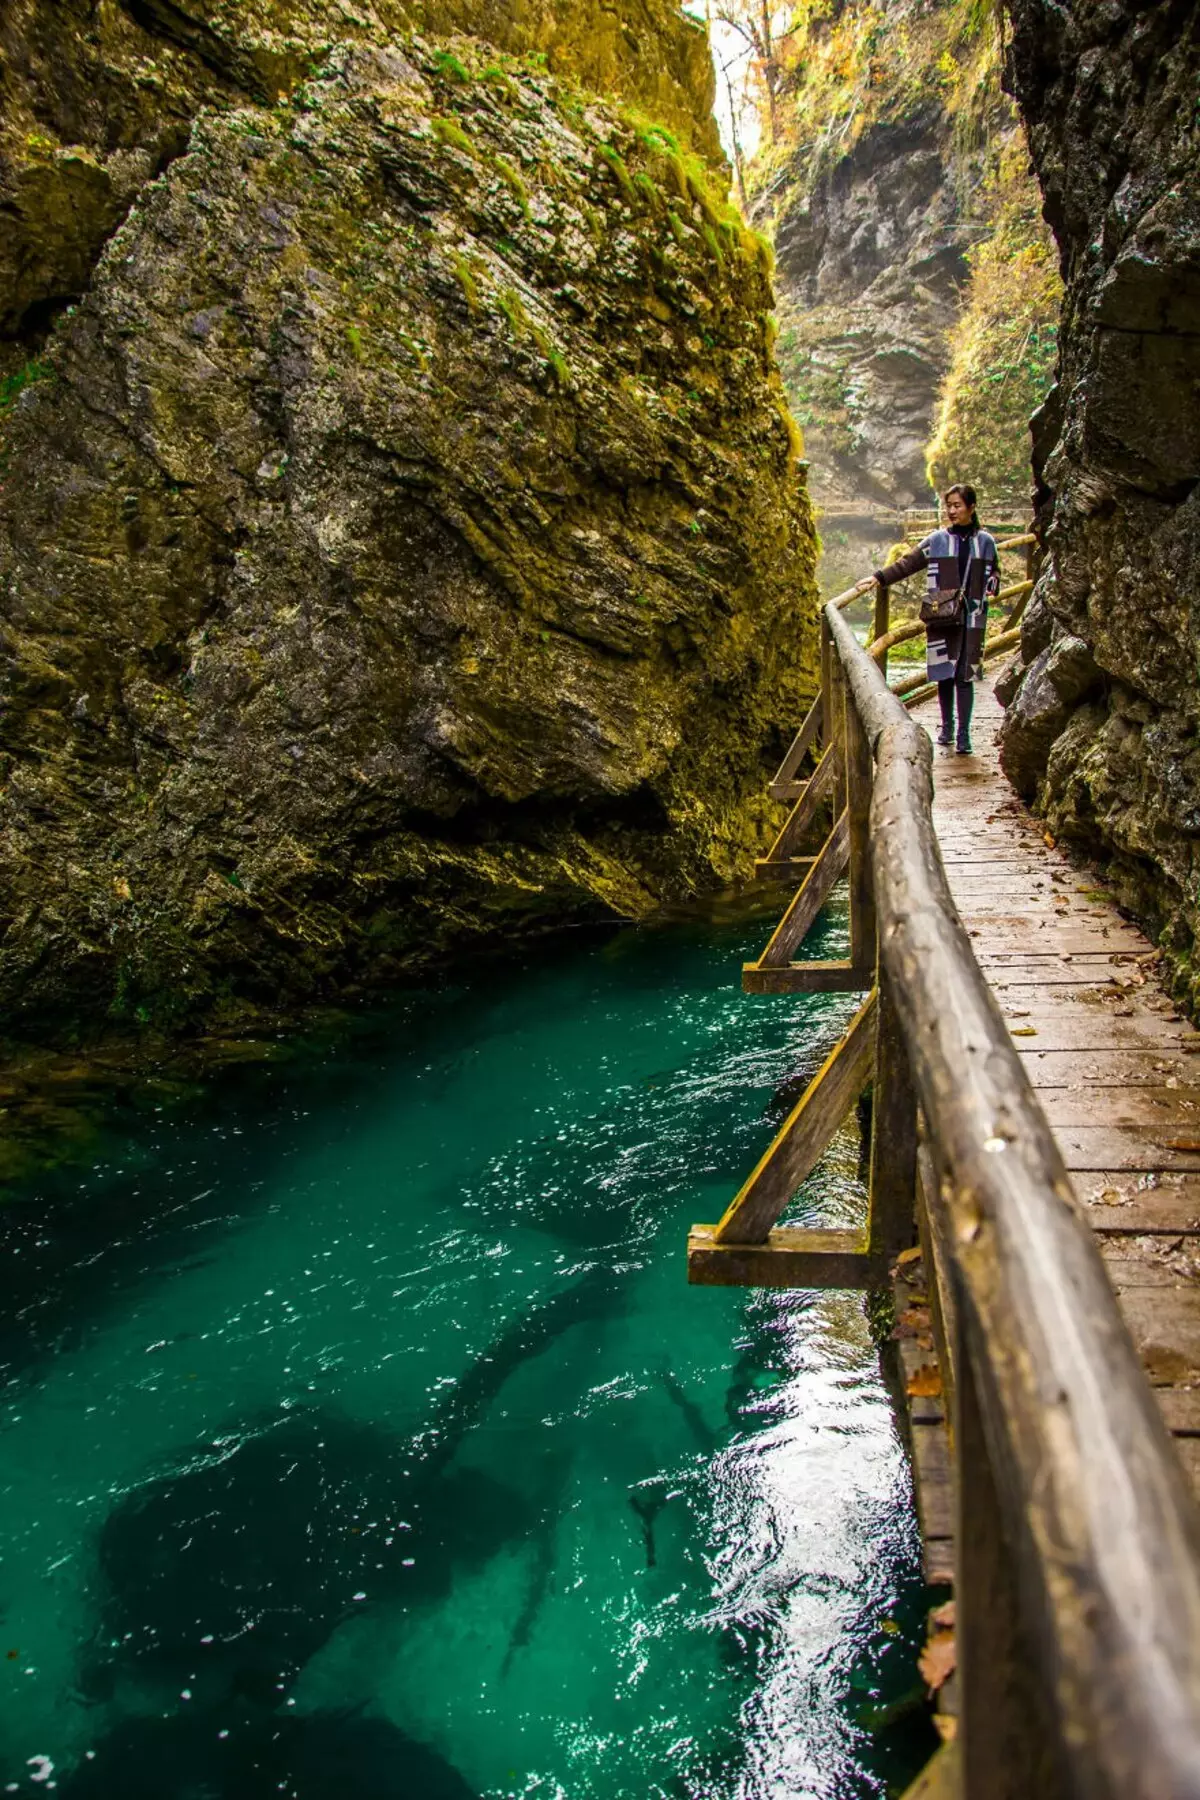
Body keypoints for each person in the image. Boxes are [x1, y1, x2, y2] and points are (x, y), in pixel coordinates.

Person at [869, 484, 1000, 754]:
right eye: (948, 505)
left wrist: (992, 584)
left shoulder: (985, 541)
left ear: (971, 508)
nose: (951, 511)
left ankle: (963, 734)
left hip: (972, 615)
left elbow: (994, 571)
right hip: (942, 614)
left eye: (957, 506)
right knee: (945, 675)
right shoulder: (937, 539)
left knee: (964, 675)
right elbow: (909, 563)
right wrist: (878, 578)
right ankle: (947, 726)